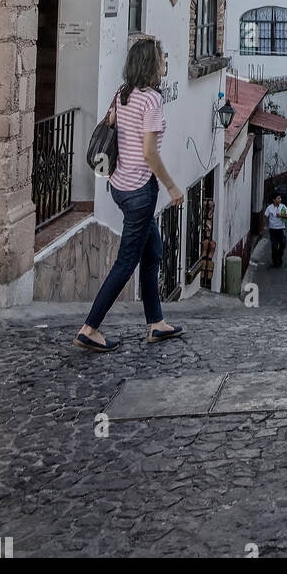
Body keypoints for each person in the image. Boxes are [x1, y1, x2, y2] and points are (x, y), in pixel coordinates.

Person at [75, 37, 184, 352]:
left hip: (120, 187)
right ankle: (90, 328)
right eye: (163, 57)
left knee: (154, 252)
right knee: (127, 262)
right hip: (140, 191)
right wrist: (172, 186)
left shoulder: (122, 94)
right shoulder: (151, 100)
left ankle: (157, 323)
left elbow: (112, 128)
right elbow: (149, 152)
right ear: (153, 63)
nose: (166, 62)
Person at [264, 192, 287, 266]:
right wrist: (265, 226)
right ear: (274, 200)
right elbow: (265, 216)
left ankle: (279, 256)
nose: (280, 200)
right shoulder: (269, 208)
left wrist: (281, 215)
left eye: (280, 198)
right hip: (273, 229)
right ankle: (275, 260)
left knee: (283, 243)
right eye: (278, 198)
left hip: (281, 229)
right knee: (274, 246)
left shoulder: (283, 207)